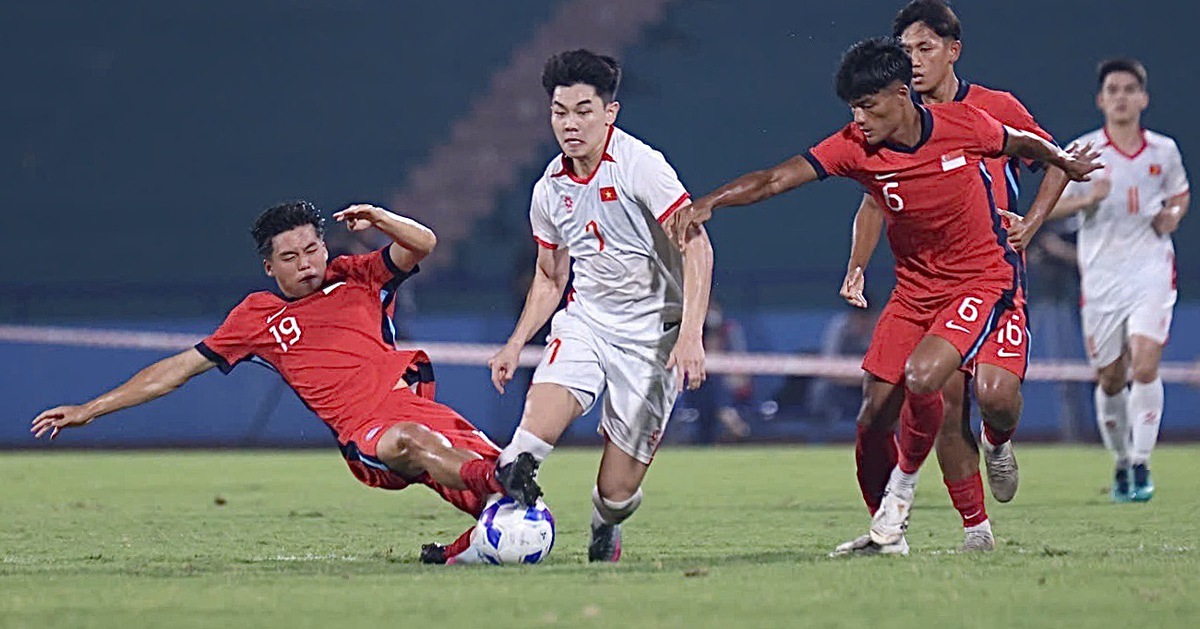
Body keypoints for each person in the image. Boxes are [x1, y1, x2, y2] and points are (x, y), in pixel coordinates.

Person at [666, 37, 1098, 555]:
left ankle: (908, 494)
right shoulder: (855, 145)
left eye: (868, 106)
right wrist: (710, 201)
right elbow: (777, 177)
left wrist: (1064, 164)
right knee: (873, 416)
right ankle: (886, 533)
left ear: (901, 96)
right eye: (853, 107)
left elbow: (1022, 143)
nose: (859, 118)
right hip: (914, 289)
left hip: (982, 278)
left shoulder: (964, 124)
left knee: (931, 378)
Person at [29, 201, 540, 564]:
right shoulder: (256, 317)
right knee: (423, 446)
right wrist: (90, 409)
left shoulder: (356, 274)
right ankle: (495, 478)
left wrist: (381, 218)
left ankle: (456, 553)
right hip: (366, 431)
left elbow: (422, 243)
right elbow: (176, 371)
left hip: (415, 405)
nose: (307, 264)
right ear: (269, 266)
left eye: (313, 249)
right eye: (291, 258)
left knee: (528, 514)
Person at [836, 0, 1073, 552]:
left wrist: (1032, 225)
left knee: (994, 396)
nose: (914, 62)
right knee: (939, 396)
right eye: (905, 52)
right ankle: (975, 530)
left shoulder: (994, 107)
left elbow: (1056, 160)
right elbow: (875, 200)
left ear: (953, 50)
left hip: (992, 276)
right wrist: (856, 266)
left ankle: (999, 441)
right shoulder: (897, 117)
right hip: (928, 287)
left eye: (925, 48)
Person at [487, 49, 714, 562]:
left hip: (655, 338)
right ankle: (490, 540)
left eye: (583, 111)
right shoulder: (548, 189)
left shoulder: (642, 166)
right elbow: (550, 276)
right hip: (587, 322)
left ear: (609, 113)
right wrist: (515, 343)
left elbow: (696, 246)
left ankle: (604, 525)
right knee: (522, 451)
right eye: (560, 112)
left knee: (615, 494)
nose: (570, 124)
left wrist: (691, 333)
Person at [1046, 58, 1190, 502]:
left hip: (1150, 268)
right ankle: (1122, 463)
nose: (1122, 96)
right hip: (1103, 276)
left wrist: (1173, 215)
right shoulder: (1084, 152)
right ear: (1101, 100)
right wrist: (1087, 198)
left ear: (1143, 98)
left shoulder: (1163, 150)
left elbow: (1180, 194)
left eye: (1130, 89)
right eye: (1114, 89)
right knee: (1110, 378)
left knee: (1145, 365)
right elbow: (1048, 207)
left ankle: (1143, 465)